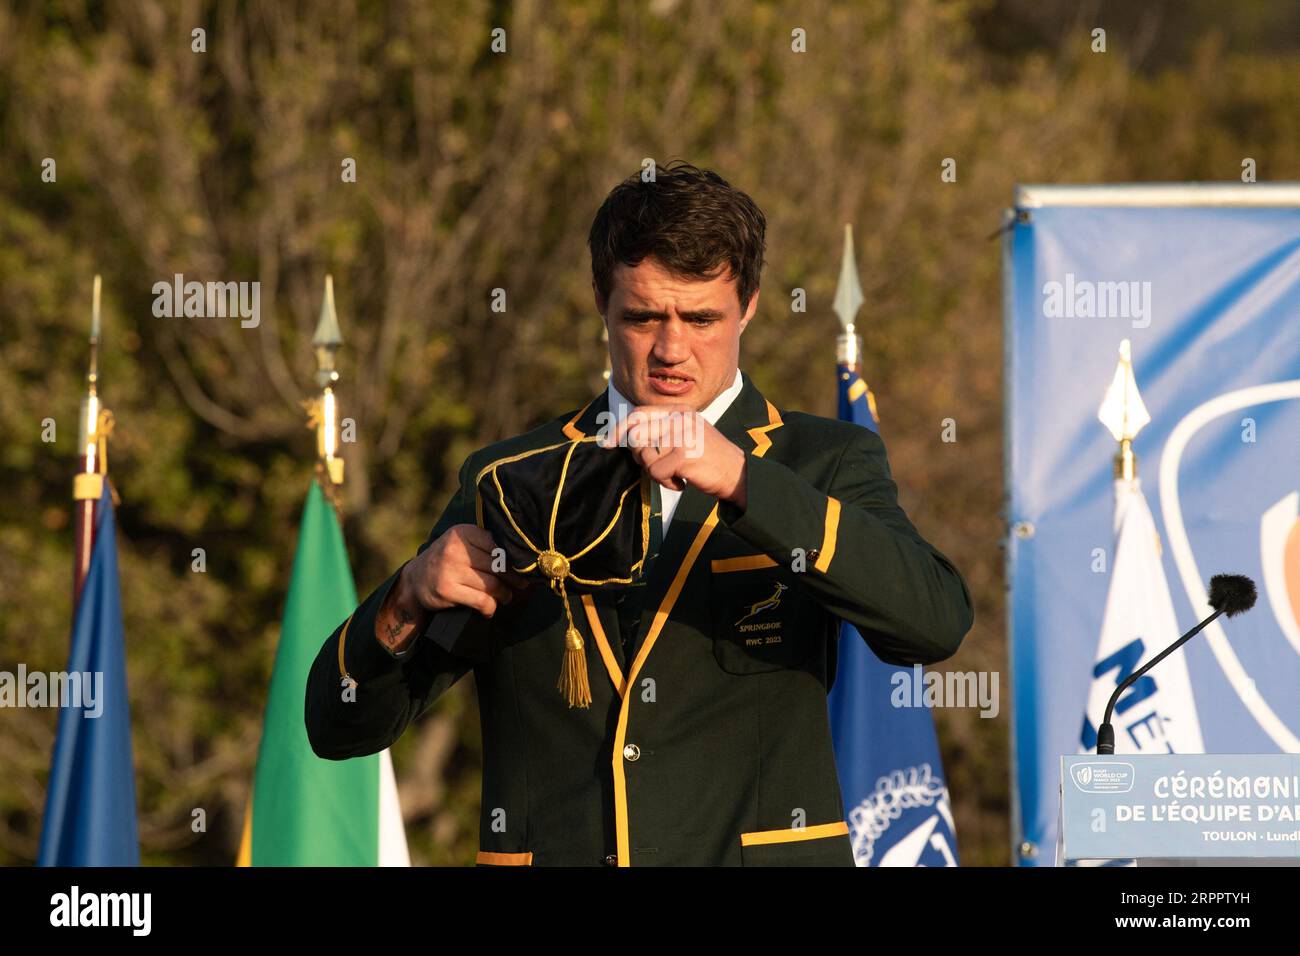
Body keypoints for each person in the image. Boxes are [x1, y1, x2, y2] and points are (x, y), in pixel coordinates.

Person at [305, 160, 973, 866]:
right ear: (600, 299)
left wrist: (745, 482)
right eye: (644, 315)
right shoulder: (510, 479)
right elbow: (338, 727)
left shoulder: (823, 459)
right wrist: (405, 599)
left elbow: (933, 620)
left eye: (702, 317)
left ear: (748, 305)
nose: (671, 349)